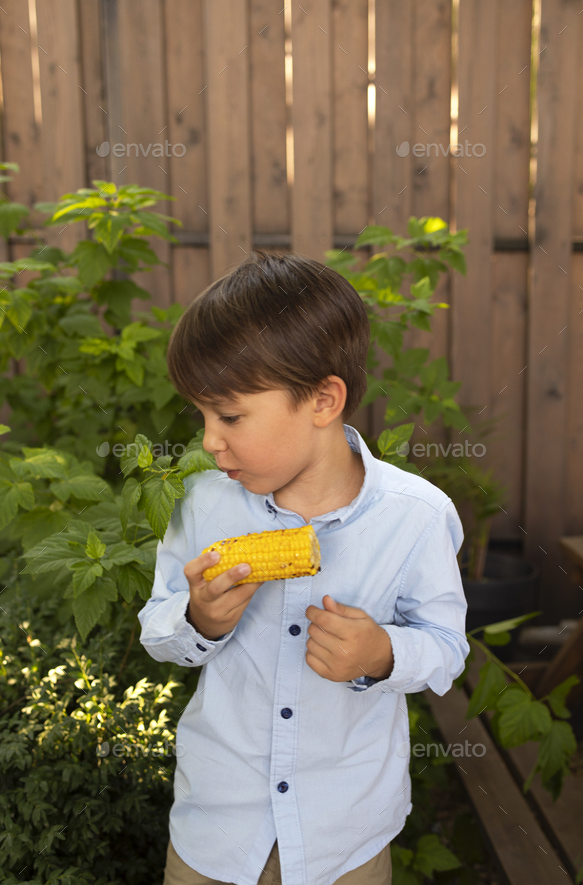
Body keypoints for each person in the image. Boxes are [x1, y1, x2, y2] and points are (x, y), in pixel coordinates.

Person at [138, 250, 470, 885]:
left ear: (323, 400)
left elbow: (446, 648)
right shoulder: (205, 505)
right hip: (216, 830)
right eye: (202, 415)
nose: (210, 440)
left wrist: (381, 654)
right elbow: (158, 627)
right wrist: (199, 619)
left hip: (344, 839)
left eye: (230, 416)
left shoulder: (416, 518)